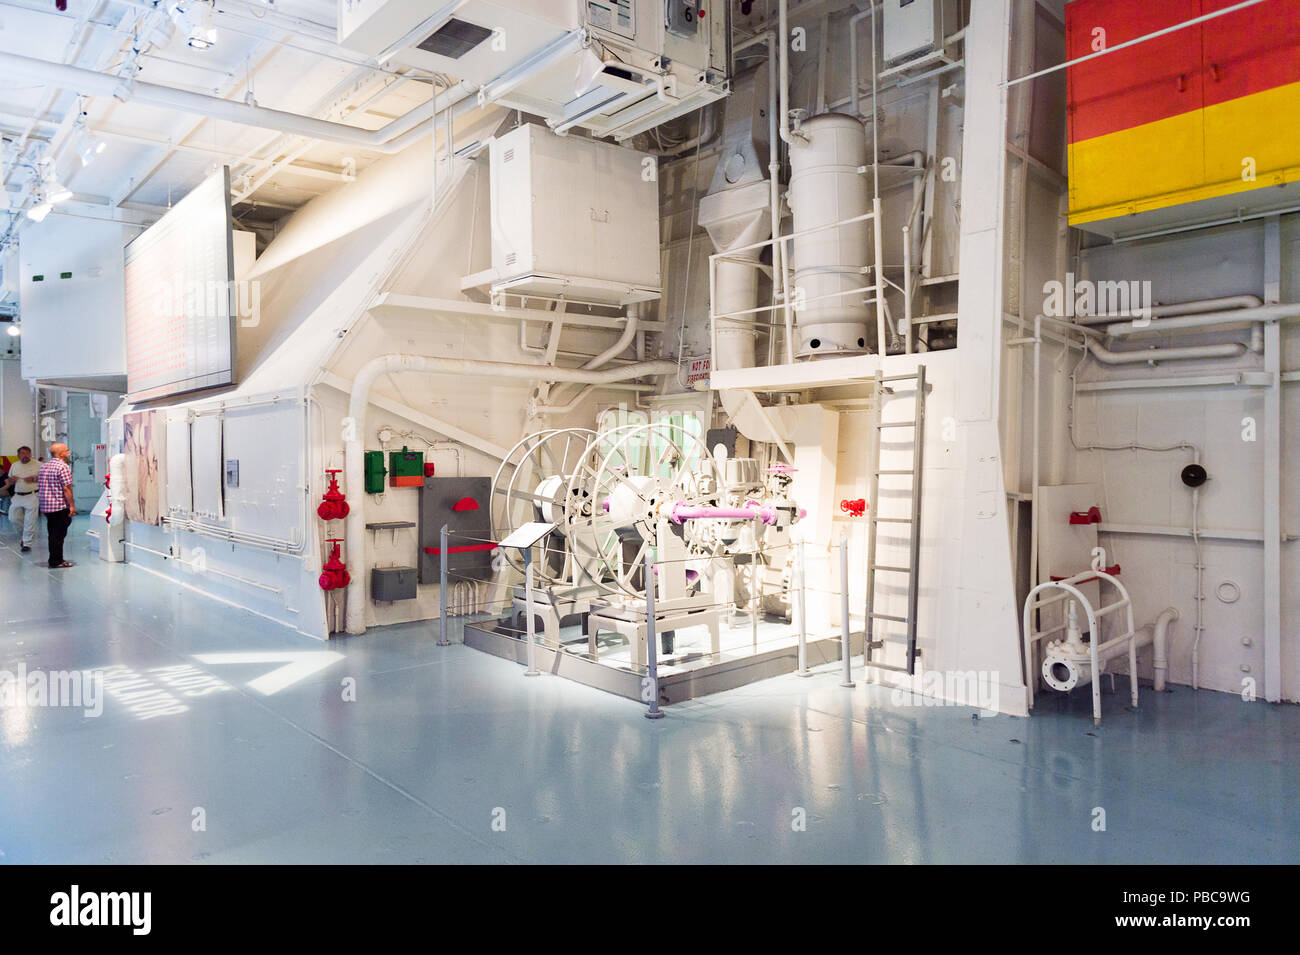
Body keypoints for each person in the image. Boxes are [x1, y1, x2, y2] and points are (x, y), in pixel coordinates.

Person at [38, 443, 76, 569]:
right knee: (58, 535)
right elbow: (66, 488)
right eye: (67, 450)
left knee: (53, 533)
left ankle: (55, 558)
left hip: (47, 507)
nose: (69, 452)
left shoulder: (44, 466)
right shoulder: (63, 467)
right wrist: (72, 506)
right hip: (59, 506)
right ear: (61, 454)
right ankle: (56, 561)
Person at [6, 446, 41, 552]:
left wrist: (34, 478)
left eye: (27, 453)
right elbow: (9, 481)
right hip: (18, 495)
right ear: (18, 455)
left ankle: (27, 543)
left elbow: (45, 478)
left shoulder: (38, 465)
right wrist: (12, 480)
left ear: (30, 454)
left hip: (32, 495)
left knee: (30, 520)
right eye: (22, 453)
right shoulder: (14, 465)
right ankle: (26, 535)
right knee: (13, 518)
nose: (25, 455)